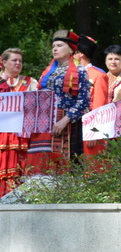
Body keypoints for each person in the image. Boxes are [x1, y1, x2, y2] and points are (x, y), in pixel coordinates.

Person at [29, 30, 91, 171]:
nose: (55, 49)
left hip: (67, 124)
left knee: (68, 165)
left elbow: (84, 101)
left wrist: (65, 120)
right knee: (44, 164)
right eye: (54, 46)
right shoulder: (48, 72)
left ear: (70, 50)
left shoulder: (80, 71)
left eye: (59, 45)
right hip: (45, 124)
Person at [0, 48, 38, 199]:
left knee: (20, 169)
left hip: (21, 134)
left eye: (20, 61)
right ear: (3, 62)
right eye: (14, 60)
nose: (18, 63)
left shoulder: (30, 82)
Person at [72, 36, 110, 157]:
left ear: (81, 54)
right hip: (73, 126)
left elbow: (99, 106)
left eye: (74, 52)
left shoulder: (98, 76)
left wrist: (94, 132)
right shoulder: (71, 74)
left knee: (90, 168)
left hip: (89, 127)